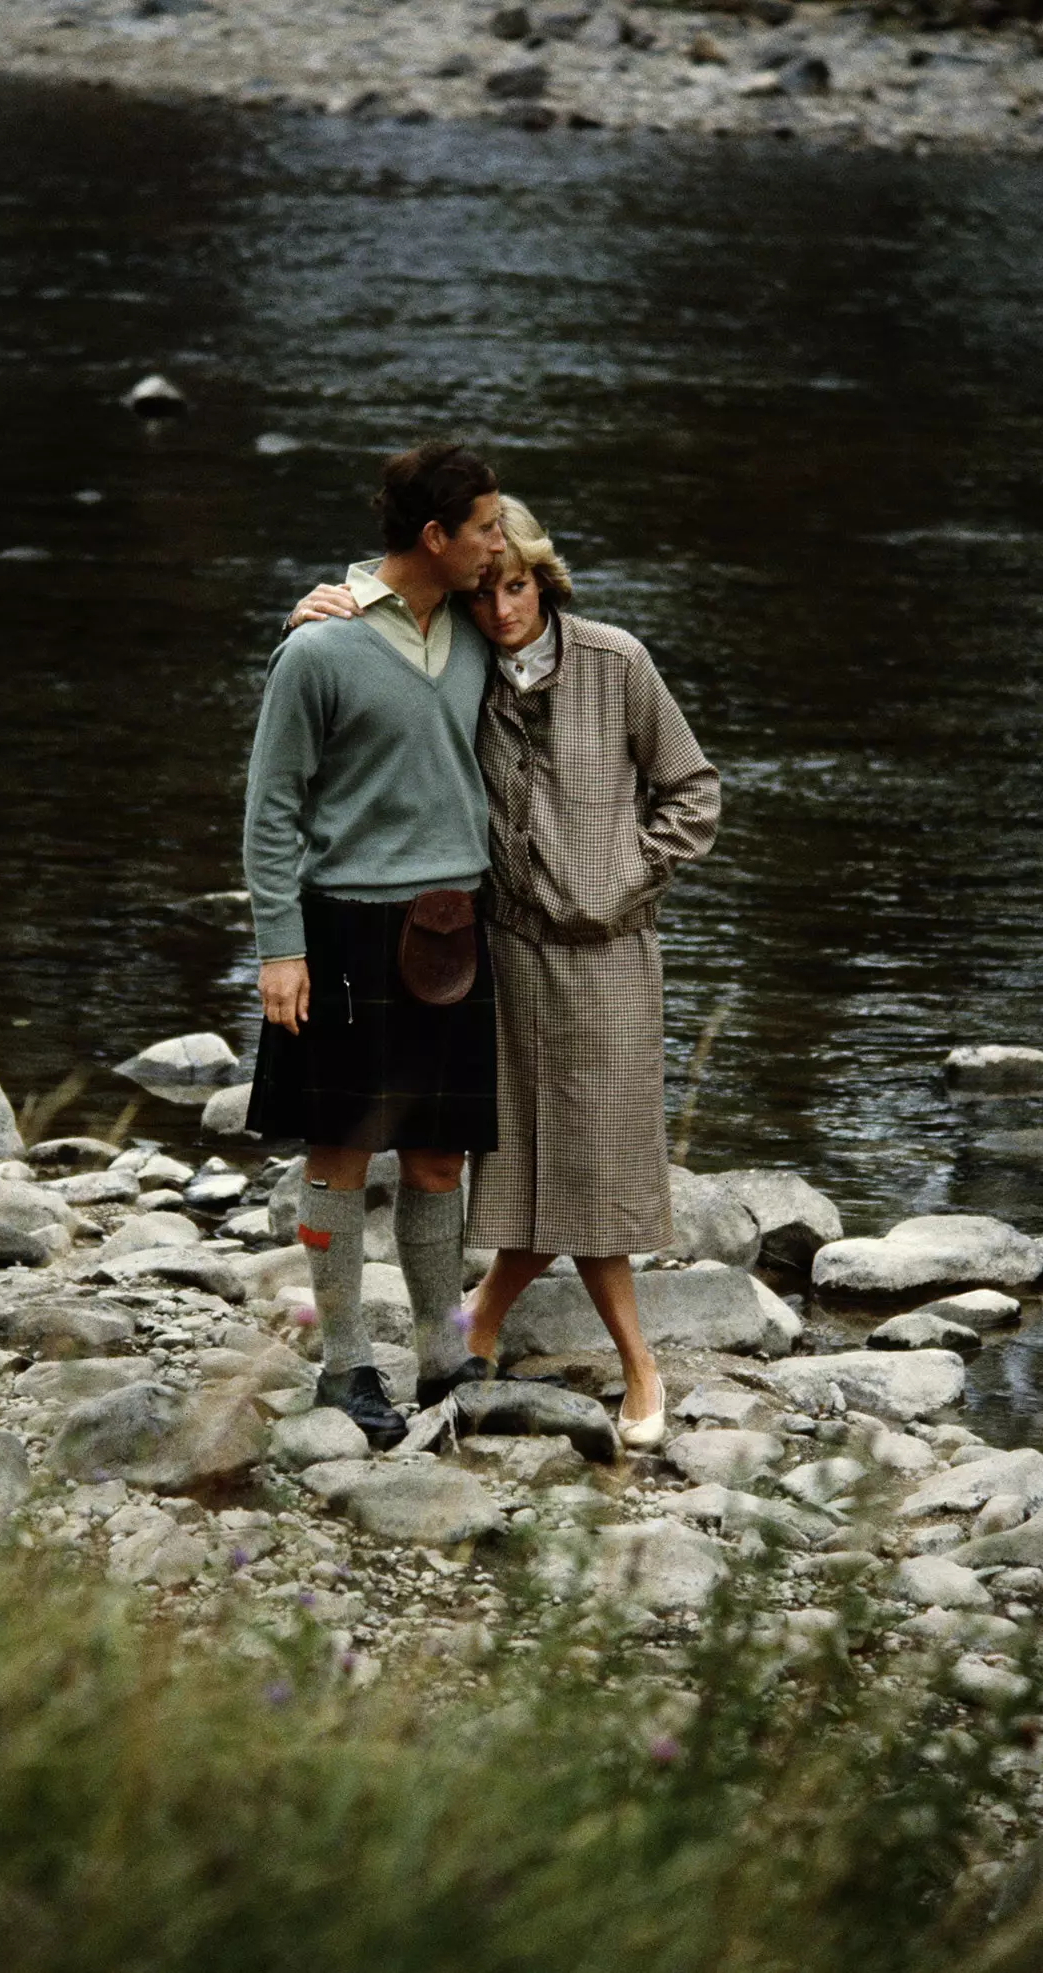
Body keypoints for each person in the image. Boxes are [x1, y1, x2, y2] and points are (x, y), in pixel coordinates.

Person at [288, 496, 720, 1449]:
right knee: (518, 1163)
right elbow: (391, 638)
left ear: (544, 579)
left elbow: (695, 792)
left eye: (518, 586)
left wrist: (627, 877)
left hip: (610, 955)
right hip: (498, 952)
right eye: (486, 594)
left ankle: (633, 1364)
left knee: (599, 1158)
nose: (504, 610)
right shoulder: (466, 661)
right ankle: (469, 1328)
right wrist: (329, 605)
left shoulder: (618, 661)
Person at [244, 441, 507, 1450]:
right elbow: (271, 810)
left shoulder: (484, 626)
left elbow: (543, 588)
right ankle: (342, 1361)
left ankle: (444, 1354)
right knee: (340, 1152)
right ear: (433, 536)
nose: (494, 542)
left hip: (452, 924)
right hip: (343, 924)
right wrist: (278, 946)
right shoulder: (317, 650)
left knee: (438, 1157)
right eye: (480, 526)